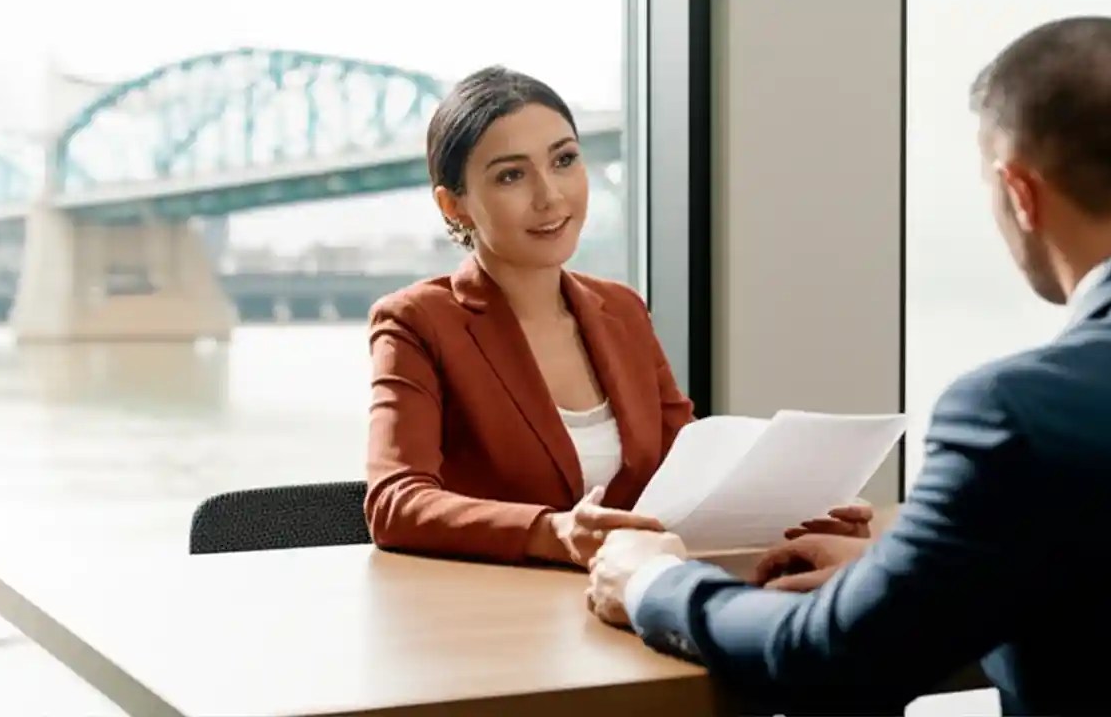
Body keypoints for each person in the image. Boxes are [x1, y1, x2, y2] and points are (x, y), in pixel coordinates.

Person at [586, 16, 1111, 716]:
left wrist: (654, 582)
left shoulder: (1023, 410)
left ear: (1020, 194)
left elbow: (824, 659)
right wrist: (910, 580)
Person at [364, 65, 875, 568]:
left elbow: (691, 472)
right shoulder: (416, 322)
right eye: (511, 175)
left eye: (564, 160)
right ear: (453, 205)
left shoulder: (623, 311)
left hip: (633, 596)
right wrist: (552, 532)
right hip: (491, 610)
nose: (550, 195)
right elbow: (394, 503)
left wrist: (802, 516)